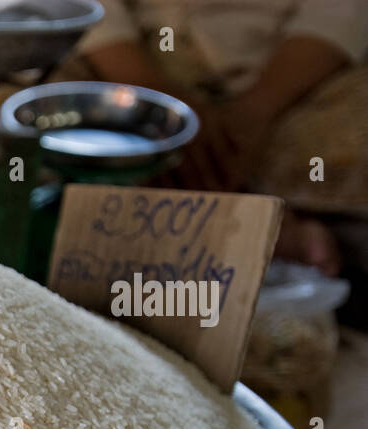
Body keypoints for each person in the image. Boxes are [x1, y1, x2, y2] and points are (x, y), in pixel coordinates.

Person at [65, 0, 368, 275]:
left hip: (286, 75)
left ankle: (186, 225)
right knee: (37, 114)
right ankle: (251, 226)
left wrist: (255, 110)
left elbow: (340, 11)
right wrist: (152, 100)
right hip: (120, 69)